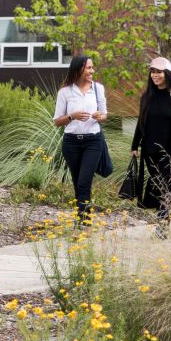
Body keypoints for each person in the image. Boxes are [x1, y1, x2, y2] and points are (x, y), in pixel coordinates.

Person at [131, 56, 171, 239]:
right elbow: (141, 122)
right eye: (152, 71)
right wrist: (135, 145)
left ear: (167, 73)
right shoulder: (147, 96)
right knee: (159, 187)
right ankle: (162, 220)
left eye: (159, 71)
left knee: (166, 186)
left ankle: (162, 226)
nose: (155, 75)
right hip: (150, 151)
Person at [52, 55, 108, 224]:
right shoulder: (65, 92)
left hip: (93, 141)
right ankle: (81, 219)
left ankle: (85, 223)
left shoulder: (98, 88)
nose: (92, 71)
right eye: (88, 68)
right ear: (78, 69)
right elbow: (56, 121)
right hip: (72, 143)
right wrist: (72, 116)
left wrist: (100, 116)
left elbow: (105, 114)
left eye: (92, 67)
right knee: (78, 182)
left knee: (84, 181)